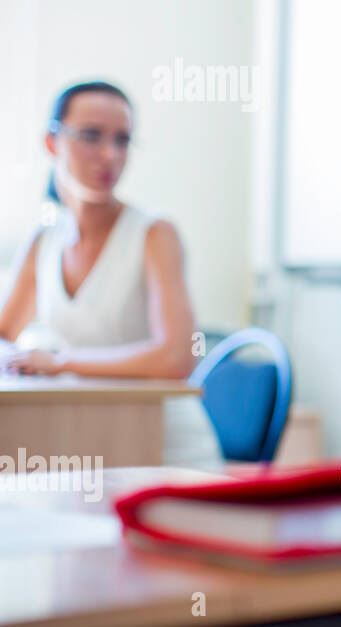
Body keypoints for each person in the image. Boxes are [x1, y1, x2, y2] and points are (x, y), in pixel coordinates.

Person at [0, 81, 224, 470]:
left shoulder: (154, 234)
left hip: (163, 451)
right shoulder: (44, 241)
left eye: (122, 140)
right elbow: (4, 334)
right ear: (52, 143)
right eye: (91, 136)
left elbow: (176, 358)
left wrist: (61, 361)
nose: (110, 155)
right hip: (86, 443)